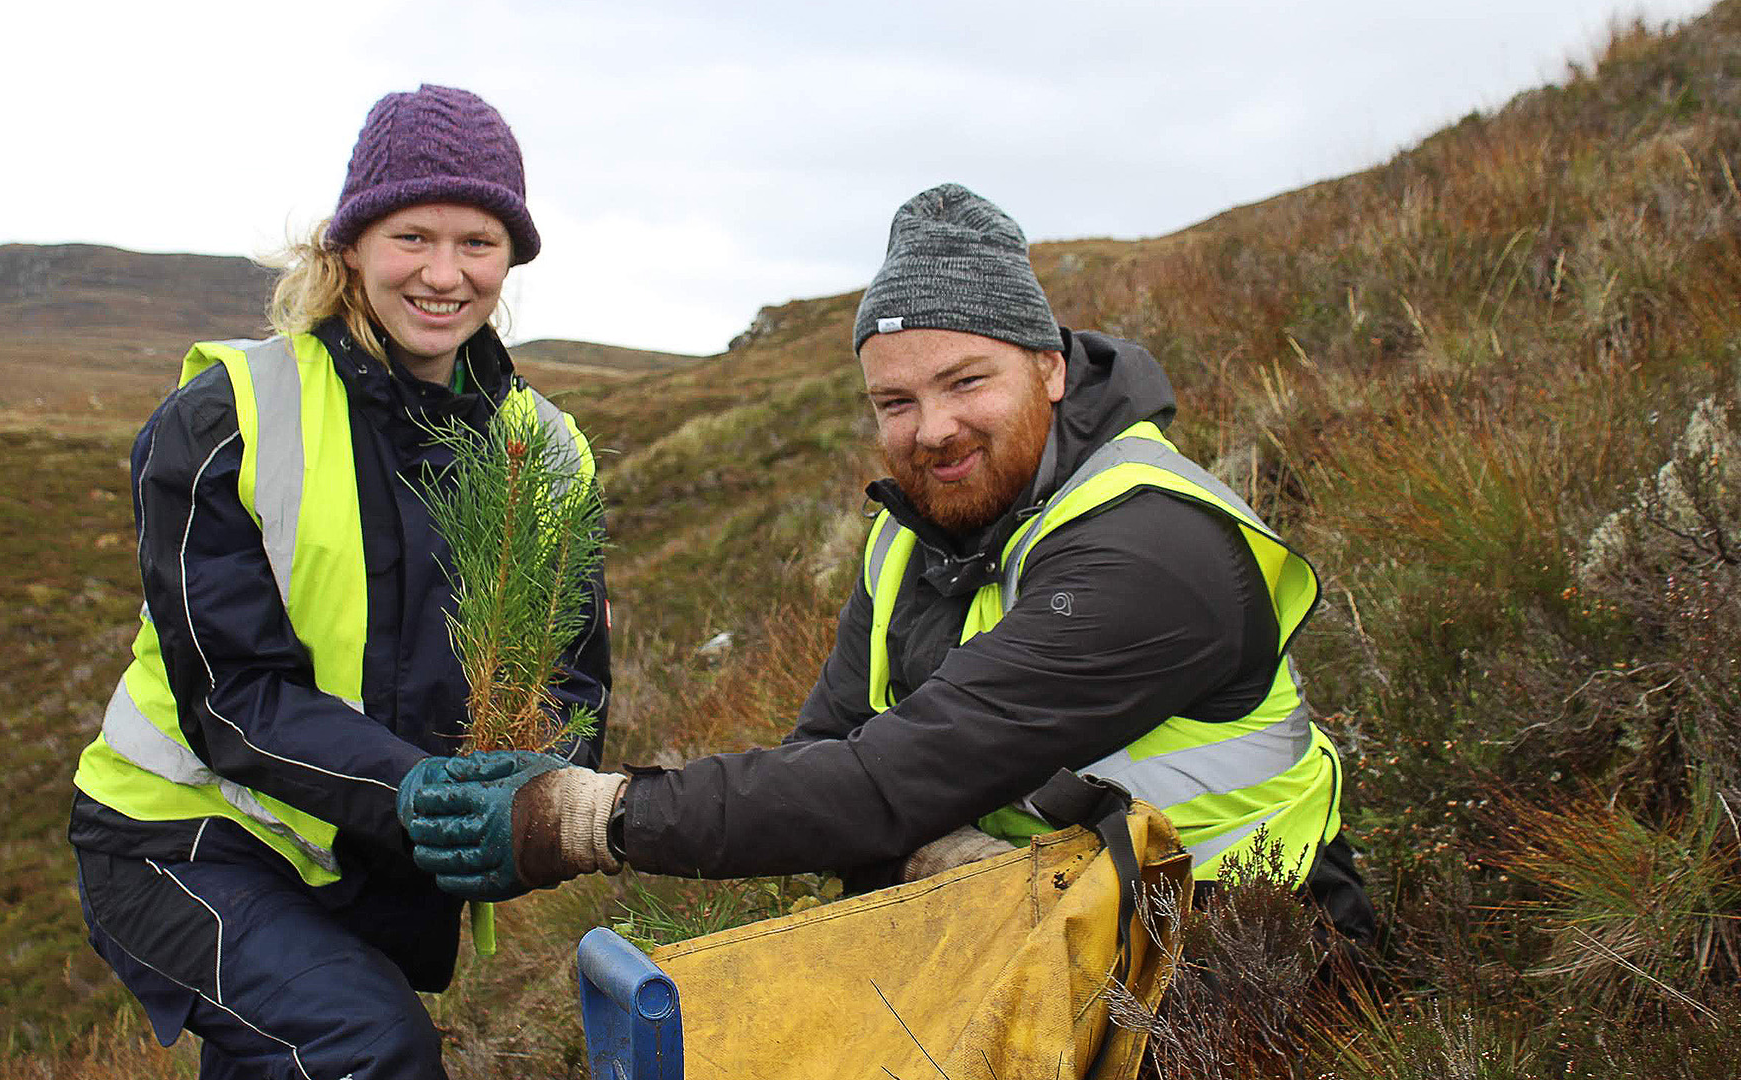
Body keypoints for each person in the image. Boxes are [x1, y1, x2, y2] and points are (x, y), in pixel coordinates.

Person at [411, 182, 1374, 942]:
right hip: (1043, 931)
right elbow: (822, 759)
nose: (933, 431)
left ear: (1049, 366)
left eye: (966, 382)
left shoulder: (1150, 550)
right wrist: (912, 858)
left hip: (1241, 961)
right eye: (895, 403)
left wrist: (589, 816)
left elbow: (880, 787)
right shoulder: (914, 534)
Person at [66, 84, 610, 1080]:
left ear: (512, 260)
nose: (444, 274)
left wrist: (531, 797)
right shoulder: (228, 412)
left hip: (370, 860)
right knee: (365, 1047)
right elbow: (233, 694)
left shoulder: (550, 454)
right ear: (351, 244)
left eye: (479, 243)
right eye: (413, 236)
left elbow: (570, 682)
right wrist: (422, 793)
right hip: (183, 839)